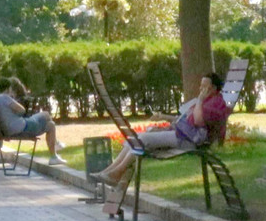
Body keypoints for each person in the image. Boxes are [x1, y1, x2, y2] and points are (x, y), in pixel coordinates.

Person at [98, 72, 230, 211]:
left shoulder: (215, 103)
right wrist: (163, 117)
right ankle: (111, 171)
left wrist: (200, 101)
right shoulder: (206, 101)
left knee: (142, 139)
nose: (201, 89)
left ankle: (116, 173)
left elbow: (197, 121)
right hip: (182, 135)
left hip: (190, 140)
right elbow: (183, 121)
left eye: (205, 86)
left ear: (214, 89)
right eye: (201, 85)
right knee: (138, 137)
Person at [0, 77, 67, 165]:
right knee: (46, 115)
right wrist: (12, 99)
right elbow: (22, 110)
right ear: (8, 88)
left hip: (11, 128)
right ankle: (55, 149)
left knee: (50, 124)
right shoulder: (5, 98)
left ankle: (54, 154)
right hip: (21, 127)